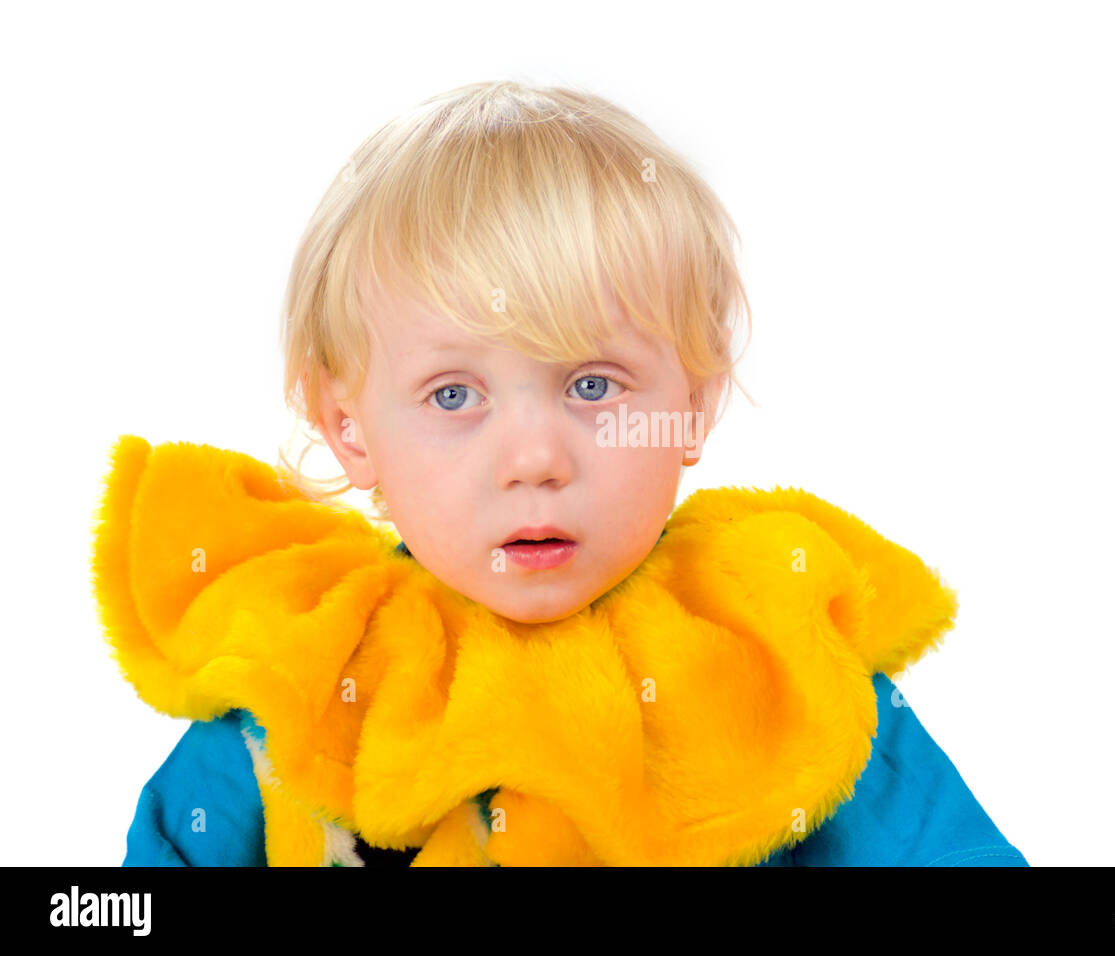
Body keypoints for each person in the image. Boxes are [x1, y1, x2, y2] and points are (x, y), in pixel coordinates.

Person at [95, 80, 1028, 867]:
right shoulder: (301, 678)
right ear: (351, 429)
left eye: (593, 385)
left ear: (693, 402)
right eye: (454, 396)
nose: (536, 459)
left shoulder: (779, 668)